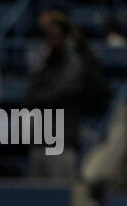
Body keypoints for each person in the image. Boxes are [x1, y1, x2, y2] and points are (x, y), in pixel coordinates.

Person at [24, 12, 83, 178]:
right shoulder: (44, 62)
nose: (50, 39)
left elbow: (54, 94)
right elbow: (30, 94)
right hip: (39, 138)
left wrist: (38, 96)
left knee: (59, 194)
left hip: (60, 141)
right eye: (47, 35)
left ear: (64, 36)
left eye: (55, 35)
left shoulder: (73, 63)